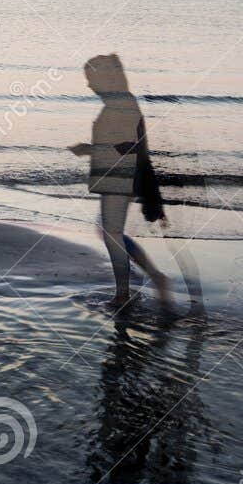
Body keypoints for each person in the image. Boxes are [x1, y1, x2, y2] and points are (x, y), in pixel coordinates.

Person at [70, 53, 171, 305]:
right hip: (116, 178)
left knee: (111, 234)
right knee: (110, 232)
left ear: (105, 78)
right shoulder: (120, 103)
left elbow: (127, 148)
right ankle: (150, 280)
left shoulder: (122, 105)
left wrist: (89, 149)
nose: (89, 85)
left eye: (91, 79)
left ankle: (125, 294)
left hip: (119, 178)